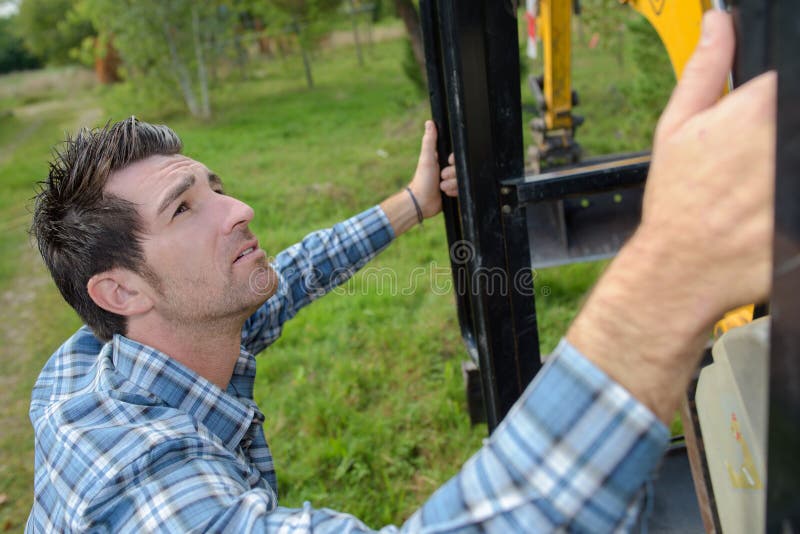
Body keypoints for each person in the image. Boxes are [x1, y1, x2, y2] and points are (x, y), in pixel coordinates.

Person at [27, 10, 775, 533]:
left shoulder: (117, 348)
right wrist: (672, 274)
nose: (240, 209)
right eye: (184, 209)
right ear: (119, 289)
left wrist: (414, 203)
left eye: (215, 187)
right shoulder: (138, 484)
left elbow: (298, 272)